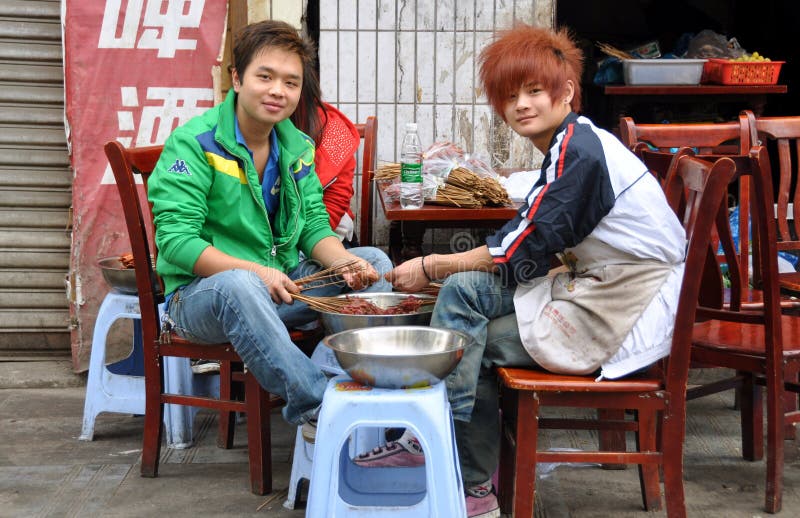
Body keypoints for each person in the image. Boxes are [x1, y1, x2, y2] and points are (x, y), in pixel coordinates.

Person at [359, 24, 687, 518]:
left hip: (627, 303)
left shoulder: (578, 151)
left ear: (567, 92)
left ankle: (461, 475)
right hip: (597, 284)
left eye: (535, 91)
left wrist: (430, 265)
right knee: (463, 296)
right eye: (510, 95)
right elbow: (529, 234)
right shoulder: (570, 144)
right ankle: (448, 454)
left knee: (467, 340)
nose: (521, 105)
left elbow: (517, 250)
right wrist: (448, 273)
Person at [147, 20, 392, 442]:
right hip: (200, 300)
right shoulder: (193, 143)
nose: (278, 90)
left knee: (374, 262)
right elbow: (176, 241)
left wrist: (344, 262)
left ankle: (360, 383)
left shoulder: (296, 146)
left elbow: (315, 227)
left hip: (277, 290)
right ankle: (323, 408)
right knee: (239, 286)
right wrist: (257, 273)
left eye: (291, 82)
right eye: (265, 76)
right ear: (237, 79)